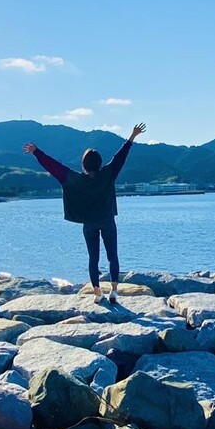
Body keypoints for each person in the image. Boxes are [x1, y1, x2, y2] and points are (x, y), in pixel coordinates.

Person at [24, 122, 147, 302]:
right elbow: (120, 156)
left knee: (93, 258)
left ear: (84, 164)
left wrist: (36, 152)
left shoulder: (75, 179)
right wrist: (132, 136)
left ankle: (97, 293)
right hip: (107, 220)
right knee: (113, 256)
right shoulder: (108, 173)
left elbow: (54, 166)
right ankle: (114, 291)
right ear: (99, 163)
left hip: (89, 223)